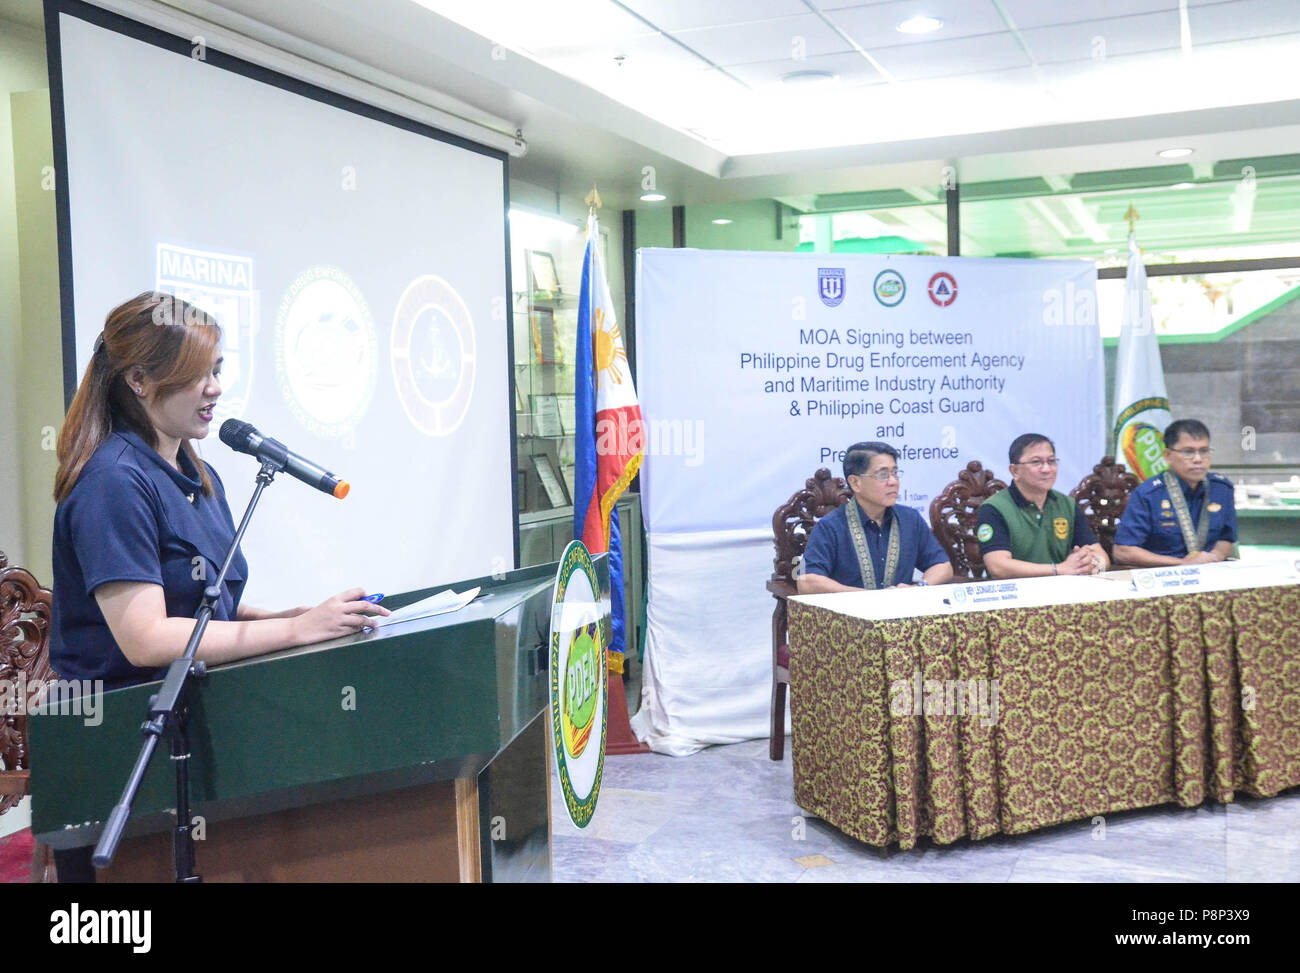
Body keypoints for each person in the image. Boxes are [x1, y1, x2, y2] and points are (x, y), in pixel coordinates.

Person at [49, 291, 388, 881]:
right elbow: (147, 639)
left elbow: (206, 606)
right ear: (139, 381)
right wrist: (293, 632)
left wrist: (284, 616)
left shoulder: (195, 473)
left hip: (199, 734)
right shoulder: (113, 483)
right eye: (198, 375)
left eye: (218, 370)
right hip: (118, 752)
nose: (215, 390)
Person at [798, 441, 953, 592]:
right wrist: (866, 598)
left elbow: (943, 566)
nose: (893, 482)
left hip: (901, 613)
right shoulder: (830, 526)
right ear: (855, 483)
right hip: (849, 614)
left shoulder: (910, 519)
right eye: (883, 475)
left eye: (895, 473)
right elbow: (807, 581)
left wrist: (918, 588)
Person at [977, 432, 1109, 579]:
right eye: (1036, 462)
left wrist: (1091, 564)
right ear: (1014, 471)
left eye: (1051, 461)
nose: (1046, 469)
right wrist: (1058, 569)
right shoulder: (994, 508)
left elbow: (1101, 556)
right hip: (1014, 595)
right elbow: (998, 566)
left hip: (1063, 592)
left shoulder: (1066, 504)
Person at [1112, 419, 1236, 566]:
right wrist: (1181, 564)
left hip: (1211, 573)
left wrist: (1214, 556)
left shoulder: (1221, 489)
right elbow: (1123, 551)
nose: (1198, 459)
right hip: (1164, 577)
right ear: (1167, 456)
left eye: (1204, 451)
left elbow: (1226, 538)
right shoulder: (1149, 494)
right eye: (1188, 452)